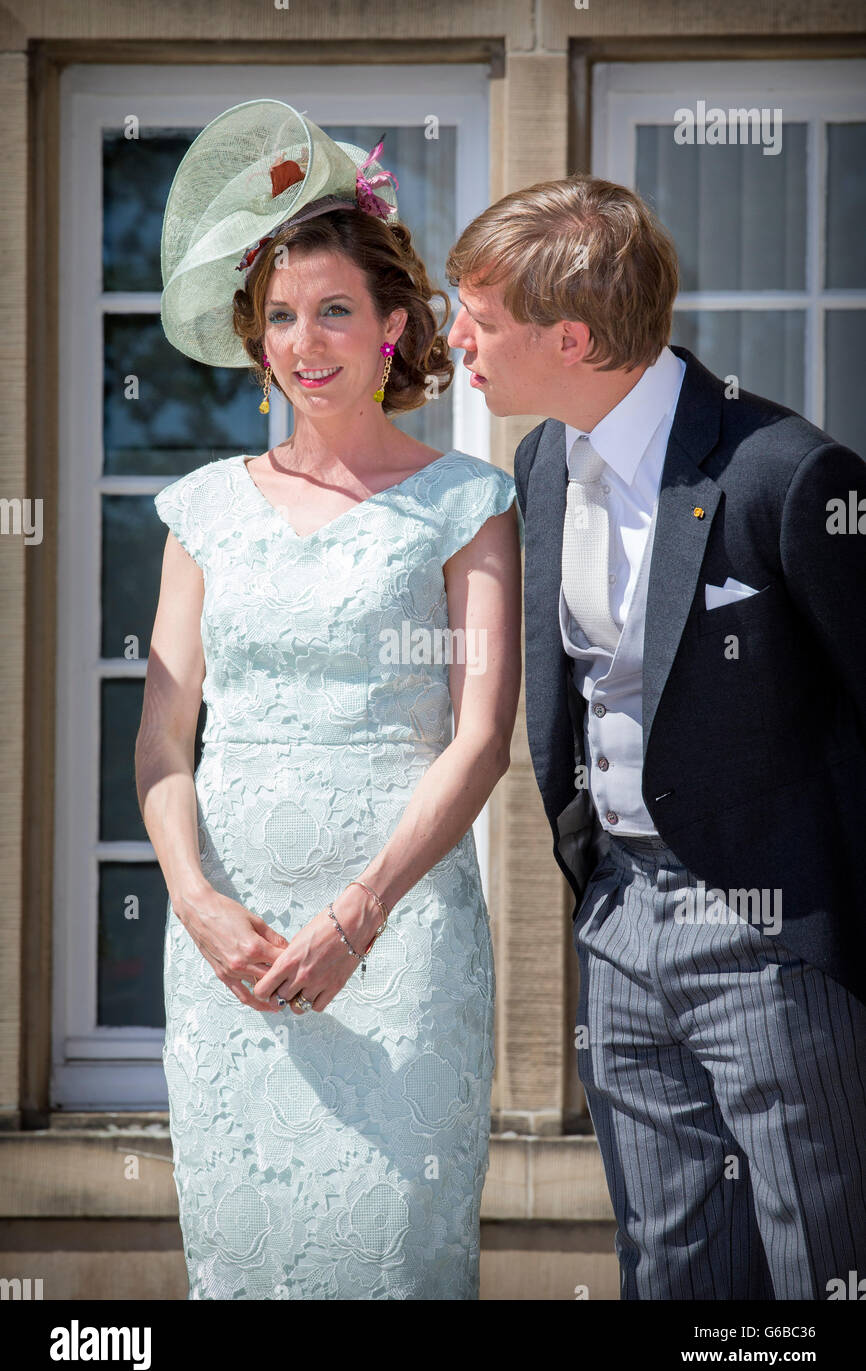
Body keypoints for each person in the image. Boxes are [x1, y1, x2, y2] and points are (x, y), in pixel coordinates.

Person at [445, 173, 866, 1300]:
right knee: (670, 1269)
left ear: (569, 337)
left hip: (771, 937)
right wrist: (596, 877)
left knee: (816, 1264)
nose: (455, 344)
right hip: (618, 922)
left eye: (478, 322)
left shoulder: (783, 474)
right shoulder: (540, 461)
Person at [136, 99, 524, 1300]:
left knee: (392, 1262)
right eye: (282, 317)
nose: (306, 342)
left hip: (398, 945)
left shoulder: (468, 500)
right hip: (227, 956)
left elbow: (480, 739)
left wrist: (359, 916)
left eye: (335, 312)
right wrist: (195, 901)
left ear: (392, 325)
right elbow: (160, 734)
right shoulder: (202, 507)